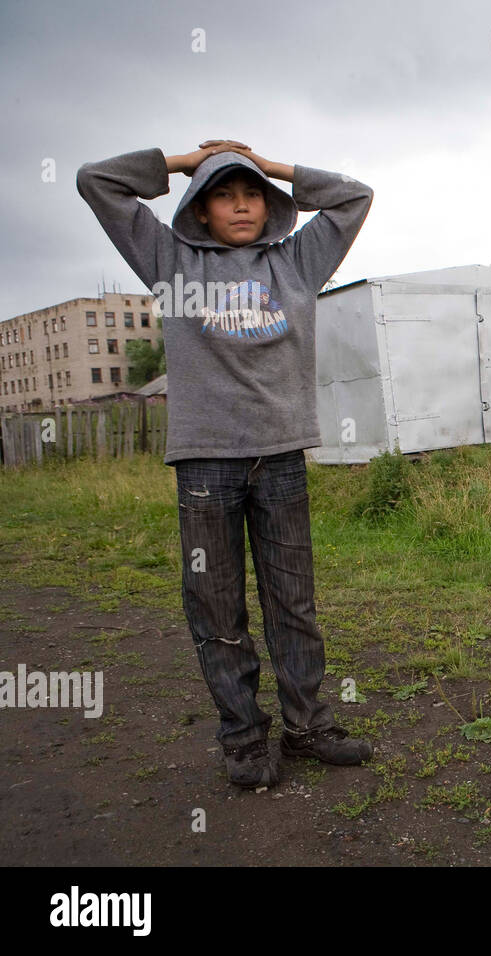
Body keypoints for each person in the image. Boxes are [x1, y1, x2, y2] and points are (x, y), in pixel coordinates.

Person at [77, 141, 375, 789]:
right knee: (216, 606)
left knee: (293, 600)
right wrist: (186, 161)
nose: (241, 205)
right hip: (205, 464)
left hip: (282, 457)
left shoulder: (297, 262)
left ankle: (307, 726)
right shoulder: (169, 260)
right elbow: (95, 180)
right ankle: (243, 738)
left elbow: (355, 197)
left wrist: (271, 166)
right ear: (200, 210)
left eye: (251, 194)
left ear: (269, 205)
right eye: (223, 193)